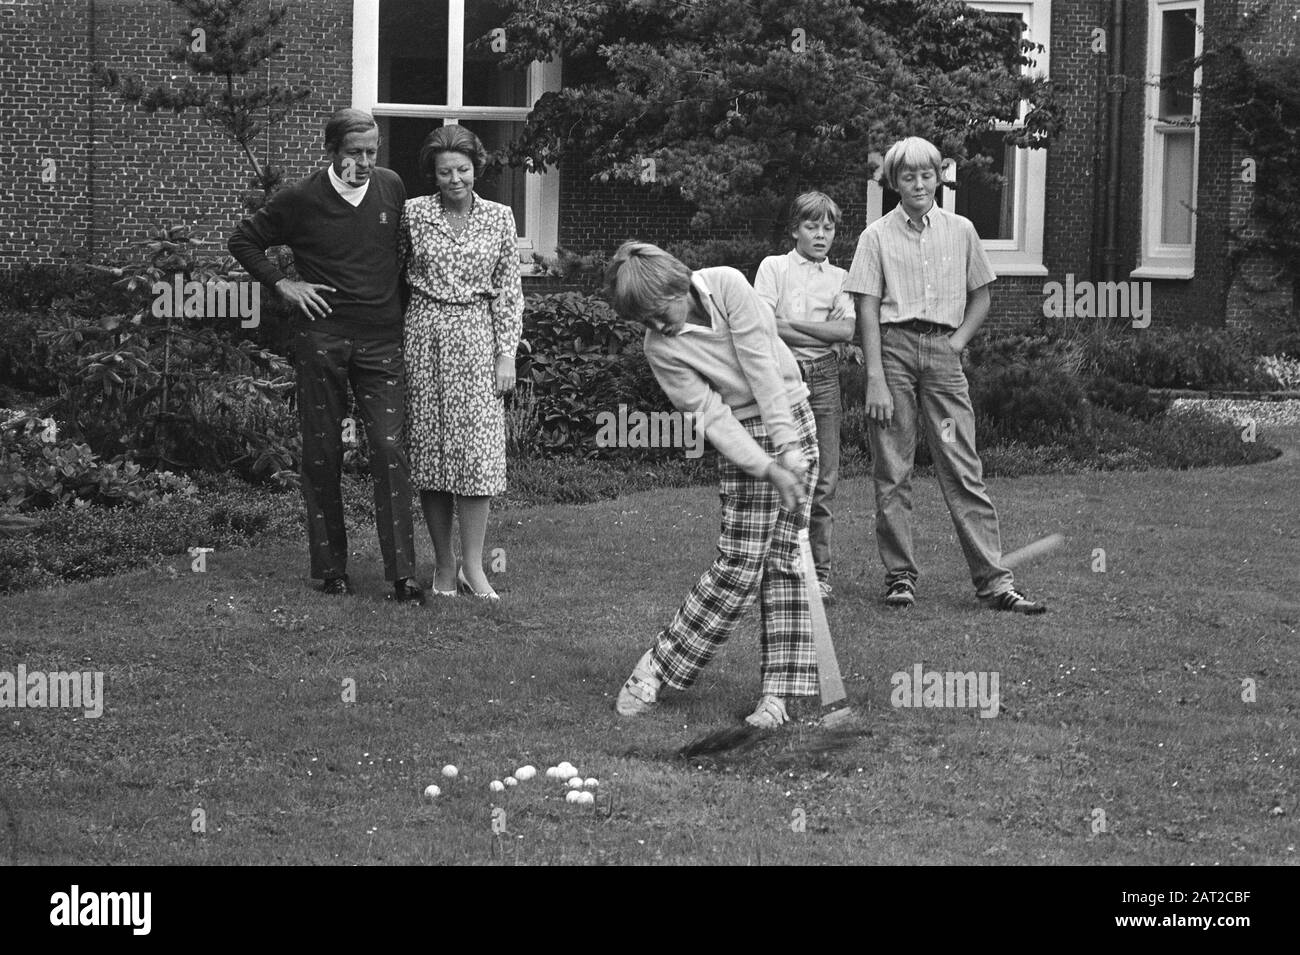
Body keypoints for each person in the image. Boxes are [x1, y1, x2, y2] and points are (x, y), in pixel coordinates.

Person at [606, 241, 820, 728]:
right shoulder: (660, 348)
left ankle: (776, 697)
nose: (660, 329)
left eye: (662, 313)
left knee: (787, 561)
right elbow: (713, 418)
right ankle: (655, 668)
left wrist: (787, 447)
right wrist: (767, 466)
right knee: (740, 566)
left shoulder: (725, 283)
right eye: (647, 323)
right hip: (745, 439)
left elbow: (762, 362)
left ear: (679, 284)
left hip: (791, 418)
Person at [844, 136, 1046, 614]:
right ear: (894, 182)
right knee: (893, 469)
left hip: (942, 354)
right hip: (891, 352)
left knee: (962, 466)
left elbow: (982, 297)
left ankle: (996, 583)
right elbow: (866, 310)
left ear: (939, 177)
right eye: (908, 176)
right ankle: (900, 577)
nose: (918, 184)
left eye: (926, 174)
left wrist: (955, 344)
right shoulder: (875, 237)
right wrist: (874, 375)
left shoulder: (961, 230)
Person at [228, 107, 423, 604]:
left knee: (387, 447)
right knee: (322, 452)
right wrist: (283, 283)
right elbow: (244, 240)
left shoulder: (391, 187)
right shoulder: (300, 199)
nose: (364, 161)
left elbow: (399, 251)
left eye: (371, 152)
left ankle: (402, 574)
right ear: (331, 151)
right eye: (354, 152)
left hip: (382, 340)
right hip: (322, 339)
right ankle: (331, 568)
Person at [400, 125, 522, 601]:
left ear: (477, 169)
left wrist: (506, 353)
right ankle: (443, 566)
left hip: (477, 337)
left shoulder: (499, 218)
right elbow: (391, 275)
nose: (455, 179)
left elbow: (510, 290)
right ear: (433, 172)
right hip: (425, 335)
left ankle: (474, 565)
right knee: (432, 455)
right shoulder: (413, 214)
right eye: (445, 170)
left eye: (463, 169)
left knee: (477, 454)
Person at [754, 191, 855, 605]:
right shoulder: (773, 268)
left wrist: (788, 323)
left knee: (824, 479)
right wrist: (817, 329)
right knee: (781, 470)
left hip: (826, 379)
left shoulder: (842, 278)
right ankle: (776, 569)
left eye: (828, 227)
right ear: (795, 228)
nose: (820, 235)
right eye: (812, 226)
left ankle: (819, 575)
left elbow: (846, 332)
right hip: (781, 374)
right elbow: (763, 326)